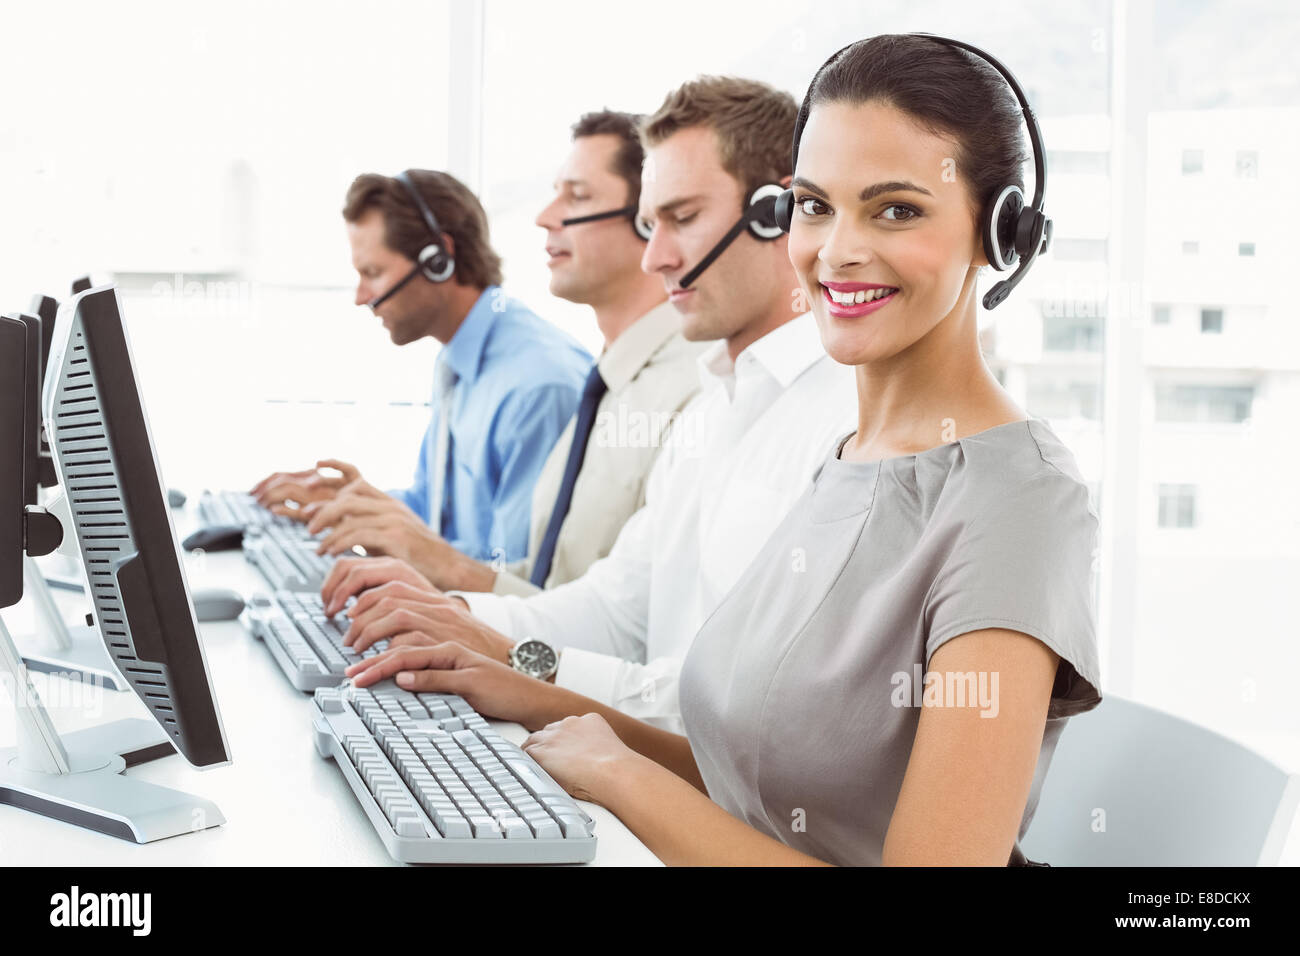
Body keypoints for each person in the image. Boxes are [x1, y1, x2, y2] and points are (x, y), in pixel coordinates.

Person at [345, 34, 1102, 866]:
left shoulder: (1016, 500)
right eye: (814, 206)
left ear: (1002, 234)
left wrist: (619, 774)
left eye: (897, 210)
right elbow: (749, 787)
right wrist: (525, 692)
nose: (838, 250)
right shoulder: (851, 453)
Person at [327, 76, 858, 732]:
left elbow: (736, 717)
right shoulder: (714, 408)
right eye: (649, 224)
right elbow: (616, 610)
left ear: (781, 212)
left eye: (683, 219)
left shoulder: (847, 425)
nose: (655, 257)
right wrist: (457, 616)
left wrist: (510, 660)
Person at [308, 111, 704, 595]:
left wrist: (435, 565)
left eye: (578, 196)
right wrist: (356, 510)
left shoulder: (548, 383)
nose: (543, 216)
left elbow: (547, 585)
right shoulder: (467, 365)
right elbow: (451, 524)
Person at [250, 169, 591, 565]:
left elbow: (519, 572)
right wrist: (346, 505)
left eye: (373, 273)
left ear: (437, 260)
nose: (361, 297)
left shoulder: (539, 387)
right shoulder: (455, 358)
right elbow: (433, 516)